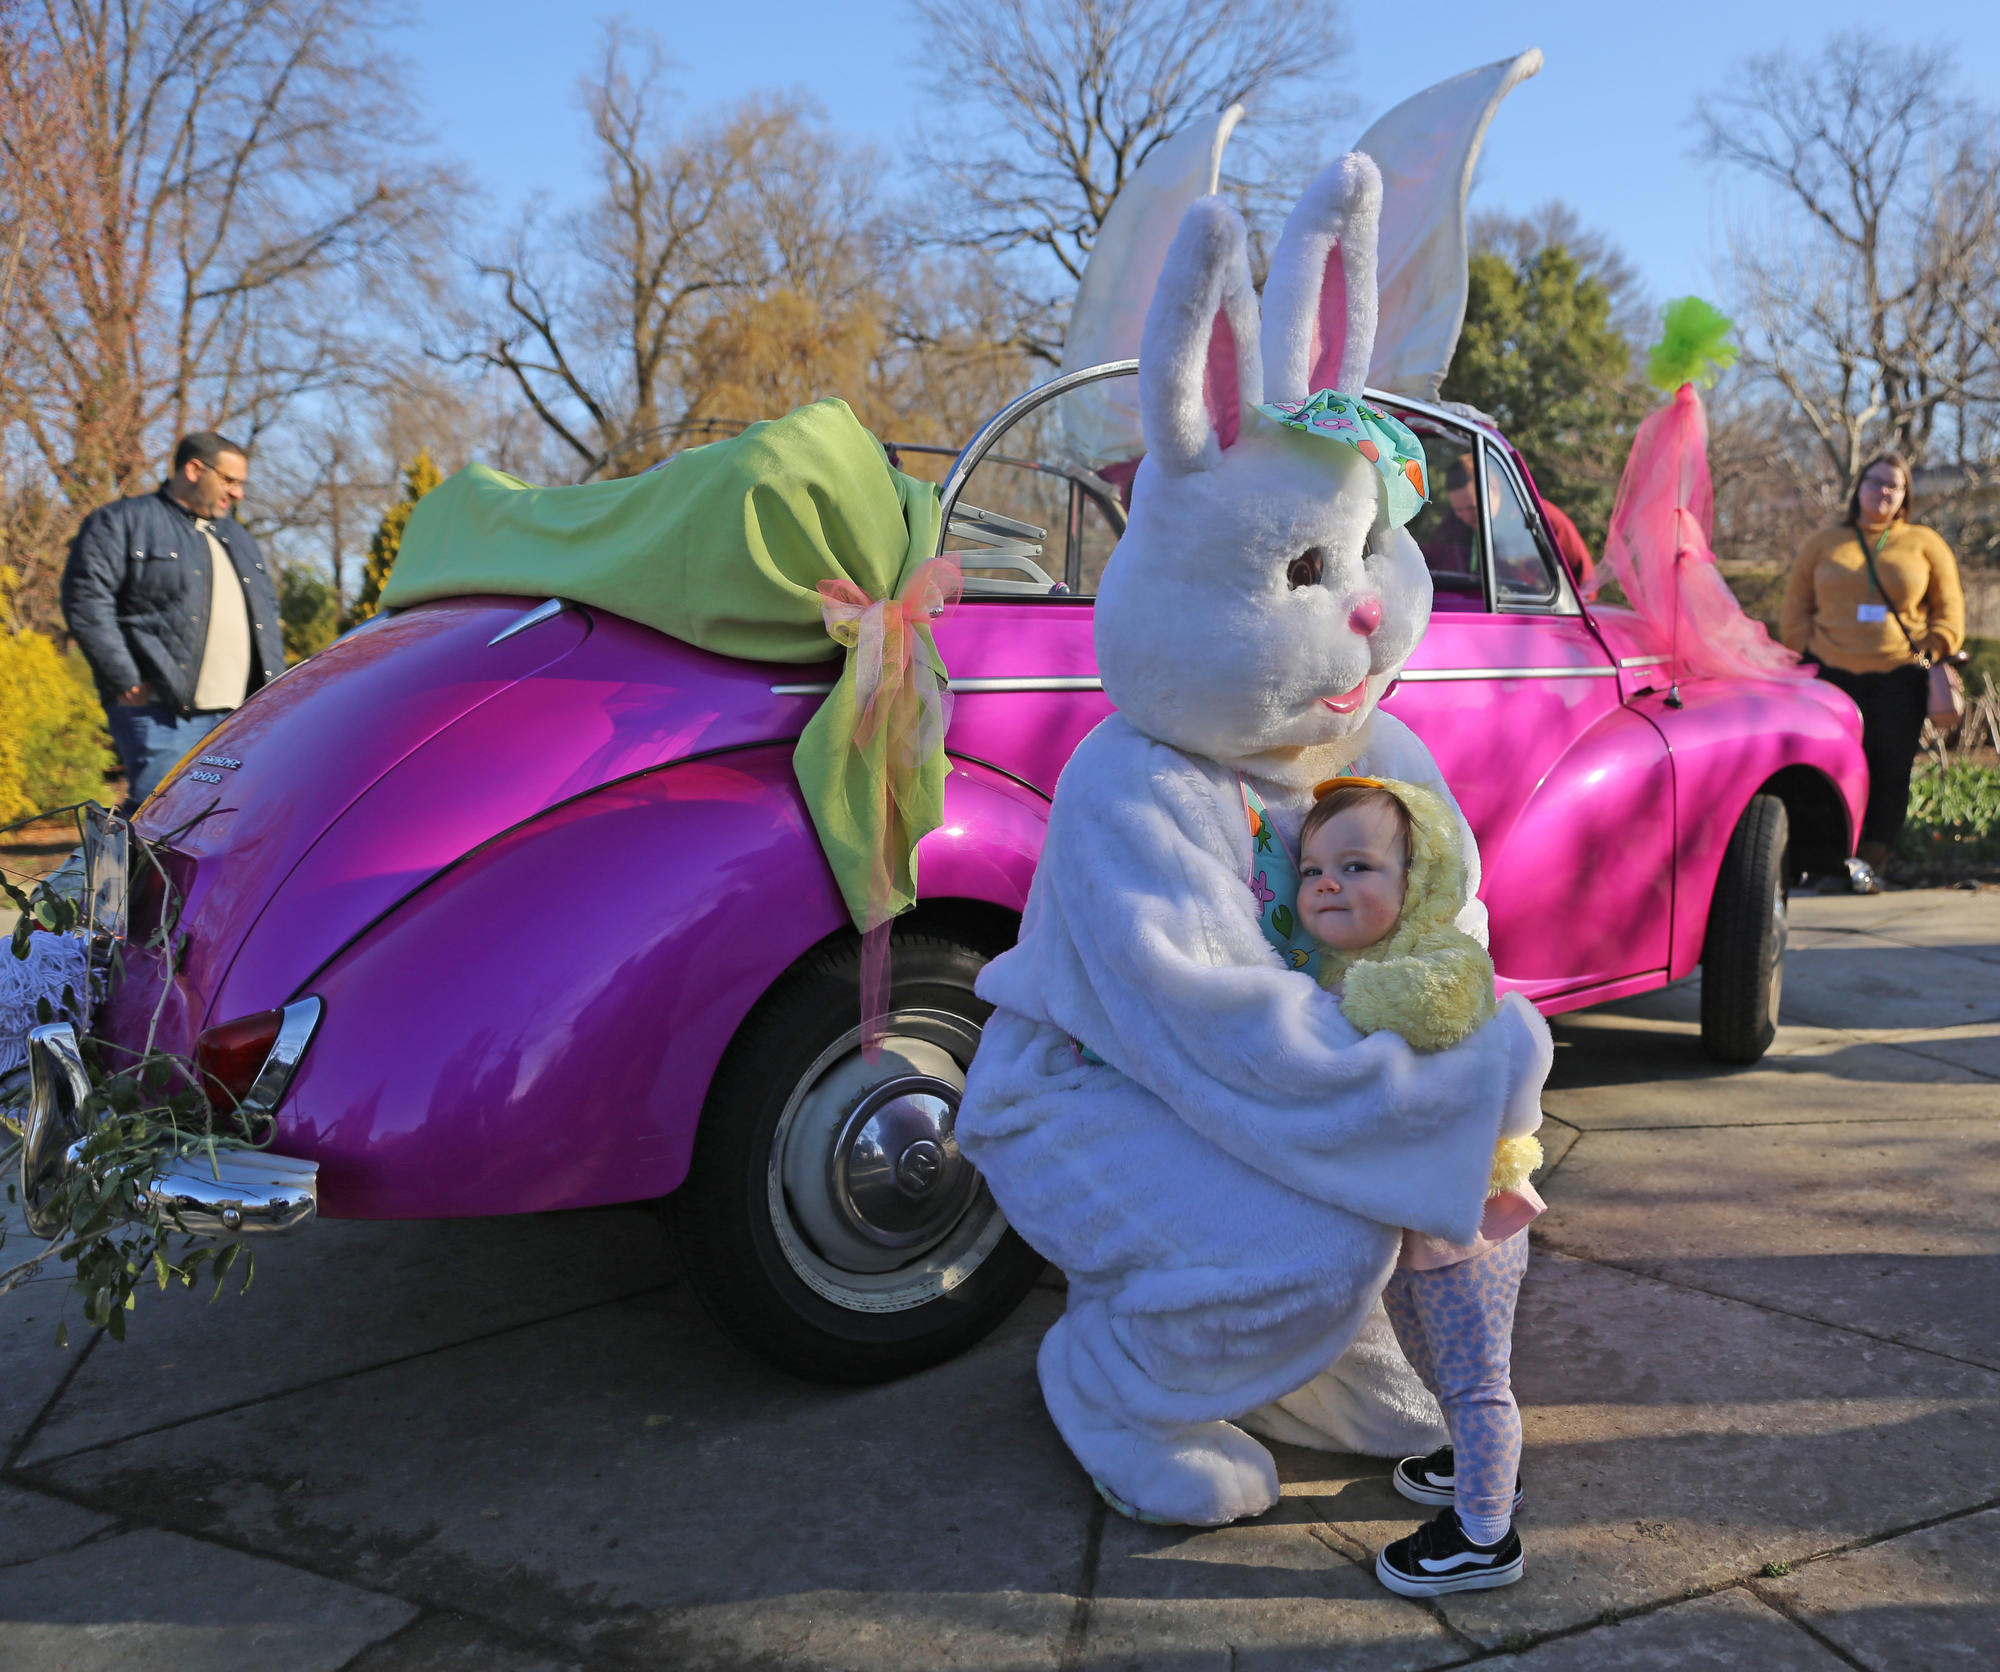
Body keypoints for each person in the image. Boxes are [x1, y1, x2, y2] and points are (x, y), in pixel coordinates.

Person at [1296, 777, 1545, 1597]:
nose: (1329, 882)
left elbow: (1435, 1008)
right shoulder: (1354, 964)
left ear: (1421, 885)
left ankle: (1485, 1533)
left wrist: (1330, 1007)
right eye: (1311, 870)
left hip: (1471, 1218)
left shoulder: (1440, 959)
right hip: (1420, 1219)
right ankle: (1471, 1464)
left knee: (1477, 1381)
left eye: (1358, 865)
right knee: (1429, 1356)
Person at [61, 432, 284, 812]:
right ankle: (121, 873)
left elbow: (267, 613)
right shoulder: (121, 522)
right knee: (158, 820)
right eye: (230, 481)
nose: (238, 494)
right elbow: (86, 600)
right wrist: (124, 678)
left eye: (241, 484)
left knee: (231, 821)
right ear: (195, 469)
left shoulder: (239, 536)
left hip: (242, 717)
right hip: (160, 712)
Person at [1780, 453, 1964, 875]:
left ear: (1904, 496)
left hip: (1899, 676)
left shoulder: (1925, 542)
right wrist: (1808, 651)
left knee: (1889, 769)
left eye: (1893, 485)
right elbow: (1795, 608)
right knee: (1824, 768)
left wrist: (1926, 655)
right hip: (1829, 676)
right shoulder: (1823, 542)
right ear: (1858, 488)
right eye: (1874, 482)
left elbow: (1949, 611)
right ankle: (1824, 860)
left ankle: (1871, 860)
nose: (1882, 491)